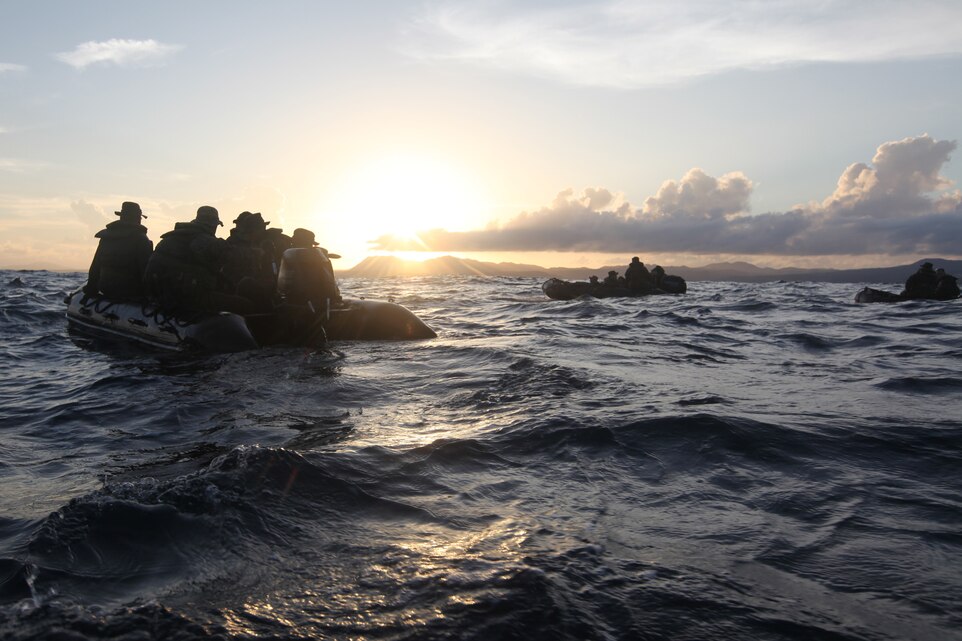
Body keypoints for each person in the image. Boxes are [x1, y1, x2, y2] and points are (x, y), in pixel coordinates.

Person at [144, 206, 252, 314]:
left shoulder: (170, 238)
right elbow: (232, 254)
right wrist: (258, 253)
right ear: (213, 225)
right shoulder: (205, 241)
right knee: (245, 305)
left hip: (163, 296)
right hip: (189, 299)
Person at [83, 201, 153, 300]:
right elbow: (146, 271)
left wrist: (90, 290)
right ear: (137, 218)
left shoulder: (106, 237)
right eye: (140, 217)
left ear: (121, 216)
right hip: (131, 292)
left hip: (105, 289)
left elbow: (95, 267)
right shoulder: (141, 239)